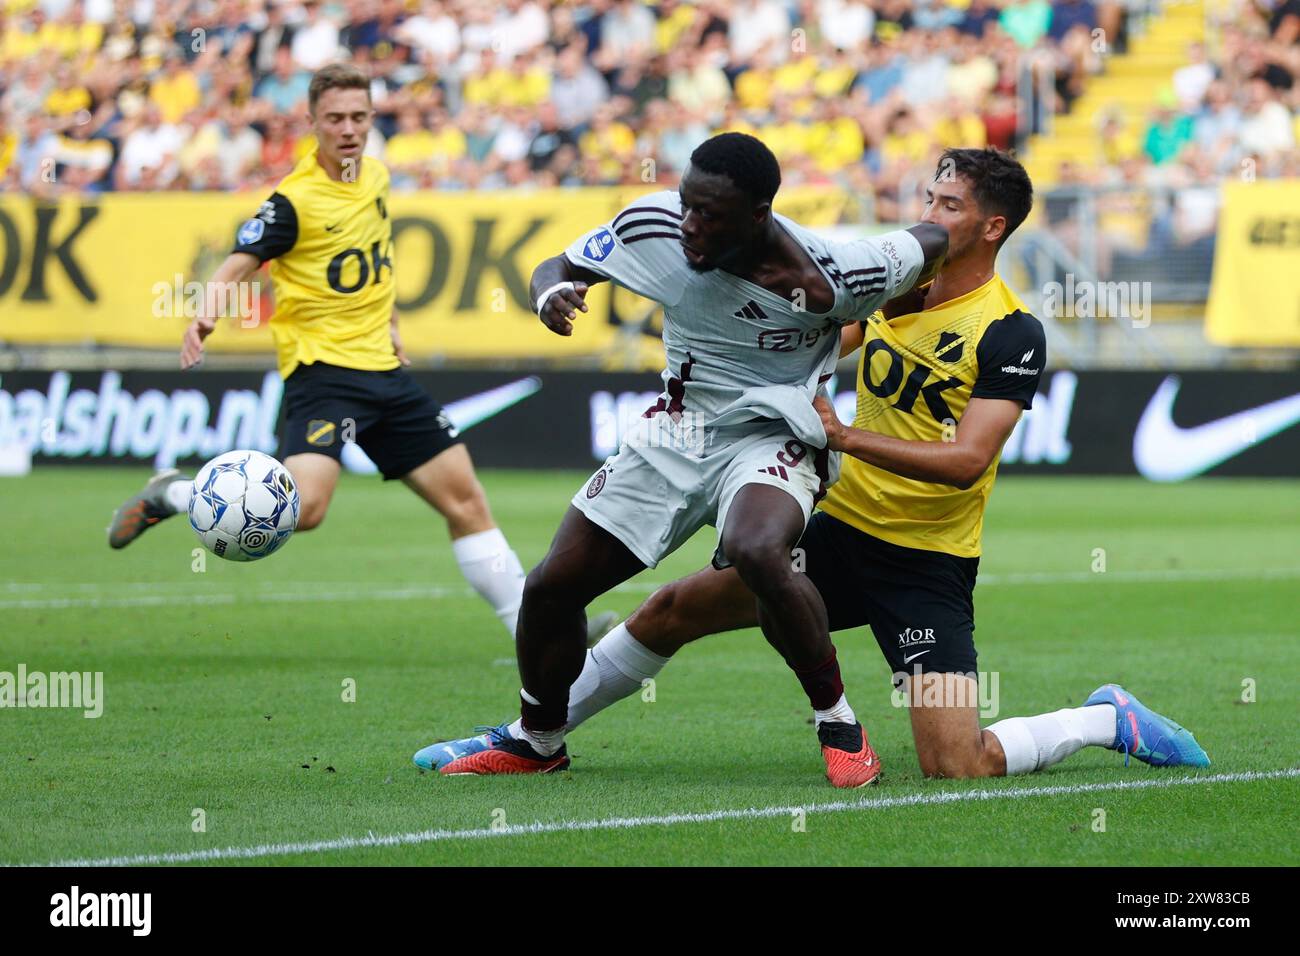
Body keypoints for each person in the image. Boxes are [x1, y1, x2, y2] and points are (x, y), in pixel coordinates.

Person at [428, 147, 1209, 781]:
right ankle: (533, 737)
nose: (929, 216)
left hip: (925, 563)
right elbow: (811, 339)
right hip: (834, 534)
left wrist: (842, 435)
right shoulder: (888, 297)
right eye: (929, 199)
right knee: (672, 609)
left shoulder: (1011, 331)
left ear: (992, 227)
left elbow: (967, 461)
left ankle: (1107, 718)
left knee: (956, 764)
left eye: (949, 207)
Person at [417, 132, 949, 784]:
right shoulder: (653, 224)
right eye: (687, 204)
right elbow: (557, 266)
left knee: (755, 548)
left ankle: (836, 720)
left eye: (709, 215)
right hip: (676, 430)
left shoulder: (837, 272)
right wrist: (549, 294)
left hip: (773, 432)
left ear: (759, 216)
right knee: (551, 587)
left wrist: (938, 263)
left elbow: (932, 241)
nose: (689, 227)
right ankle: (538, 740)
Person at [106, 64, 599, 645]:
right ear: (312, 121)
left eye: (359, 117)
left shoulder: (377, 178)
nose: (348, 129)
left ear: (371, 119)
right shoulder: (293, 201)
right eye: (335, 118)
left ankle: (540, 634)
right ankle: (173, 493)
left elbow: (373, 259)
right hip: (324, 377)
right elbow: (240, 261)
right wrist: (207, 312)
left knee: (466, 500)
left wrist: (389, 322)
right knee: (301, 512)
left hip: (386, 376)